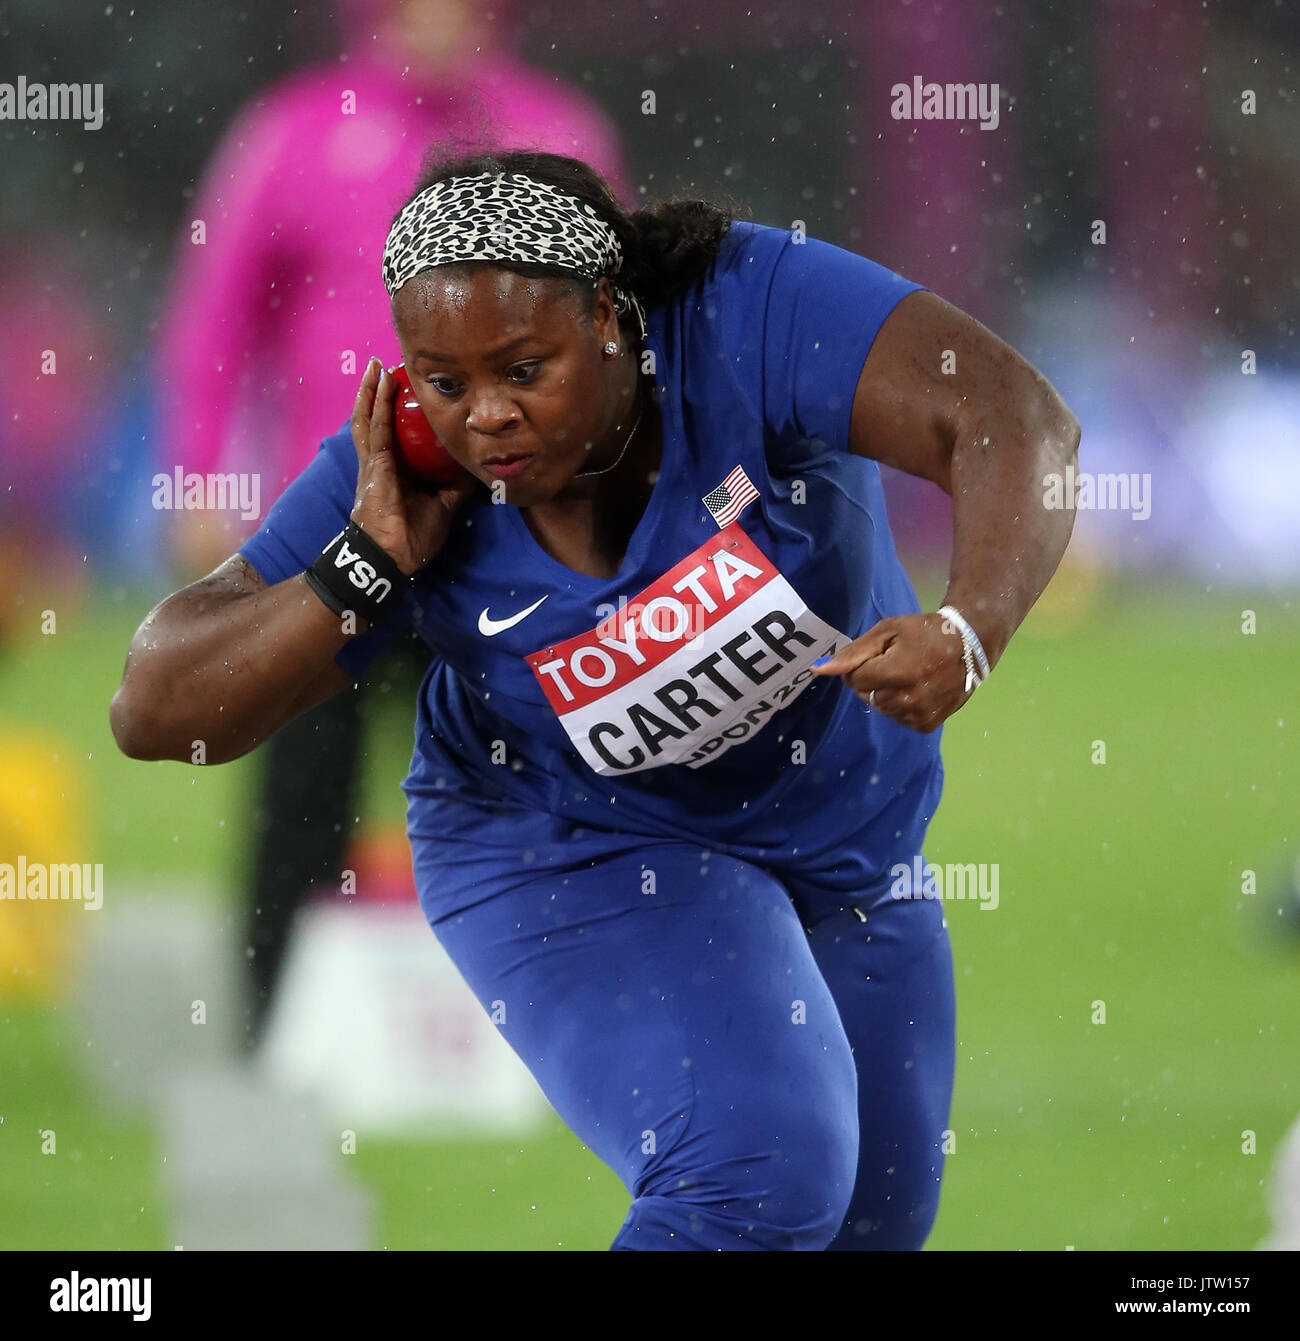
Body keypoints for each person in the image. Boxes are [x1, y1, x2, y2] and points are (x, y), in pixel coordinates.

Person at [111, 147, 1081, 1251]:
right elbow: (154, 708)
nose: (486, 418)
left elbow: (1017, 419)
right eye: (443, 379)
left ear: (615, 314)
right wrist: (363, 567)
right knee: (755, 1172)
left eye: (524, 368)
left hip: (845, 841)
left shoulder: (749, 311)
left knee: (867, 1229)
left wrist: (969, 628)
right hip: (565, 842)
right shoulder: (407, 473)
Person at [153, 0, 630, 1048]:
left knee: (533, 779)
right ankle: (271, 1036)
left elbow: (619, 330)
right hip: (333, 528)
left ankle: (562, 1029)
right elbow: (217, 312)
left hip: (508, 525)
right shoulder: (291, 134)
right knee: (302, 790)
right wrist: (196, 475)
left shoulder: (558, 138)